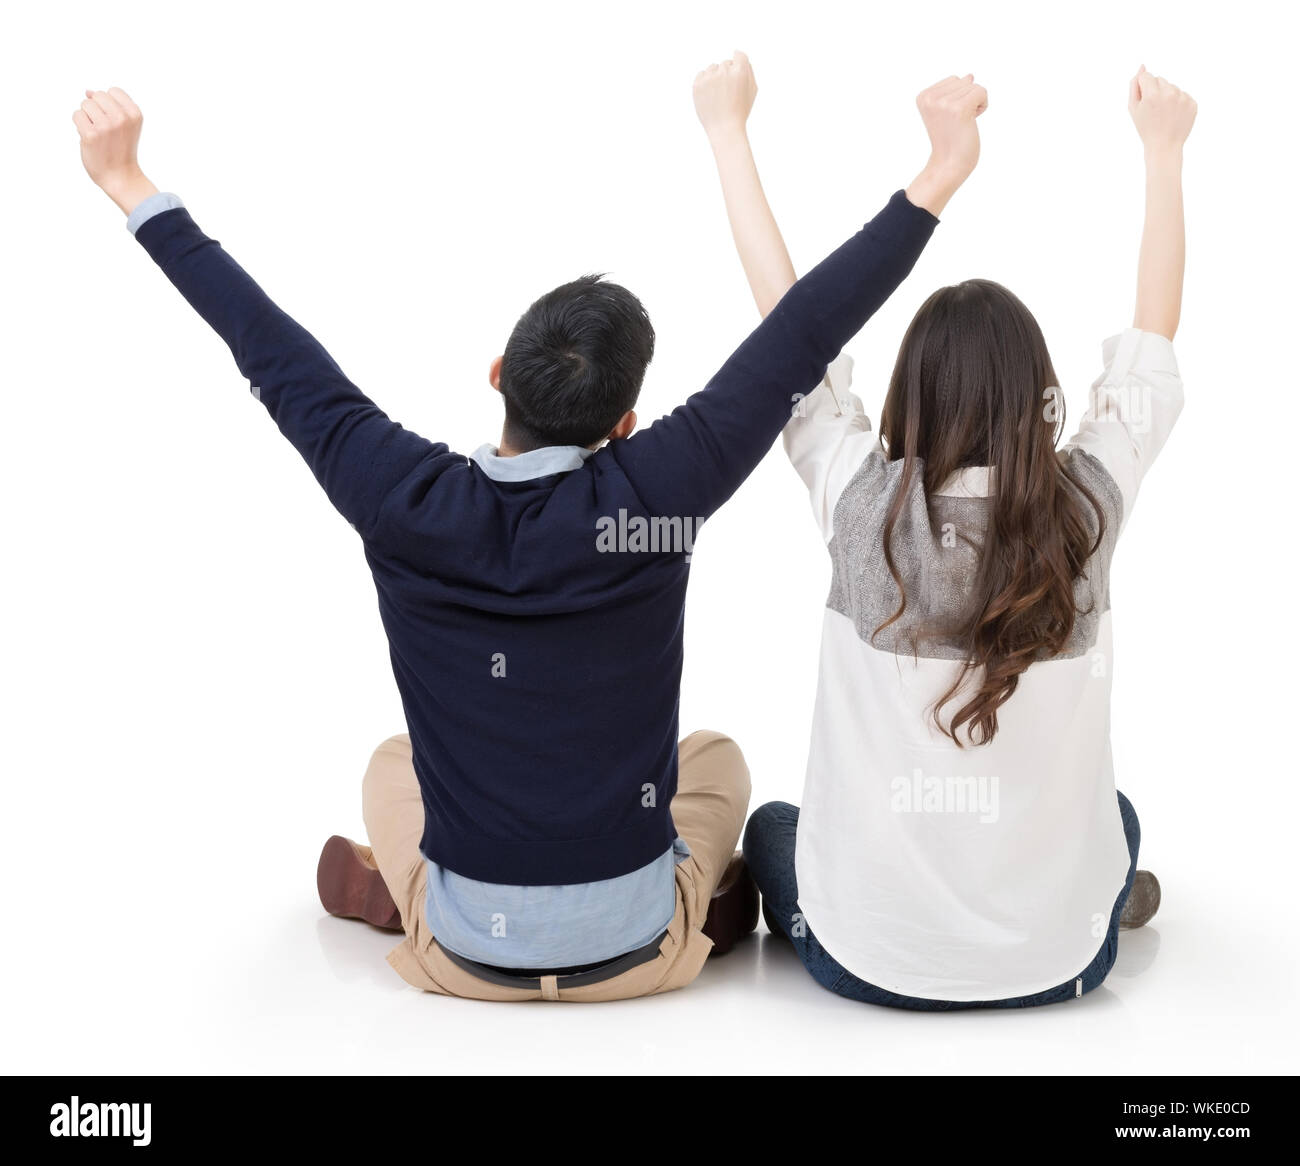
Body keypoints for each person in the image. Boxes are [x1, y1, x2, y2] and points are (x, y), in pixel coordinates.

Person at [71, 74, 973, 1001]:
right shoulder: (656, 493)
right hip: (638, 955)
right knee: (716, 761)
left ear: (498, 374)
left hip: (467, 958)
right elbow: (802, 334)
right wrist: (937, 174)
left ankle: (414, 898)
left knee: (394, 764)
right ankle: (695, 902)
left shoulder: (396, 494)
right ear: (625, 422)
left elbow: (264, 343)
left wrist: (133, 183)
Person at [695, 54, 1191, 1008]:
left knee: (772, 829)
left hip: (861, 963)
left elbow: (786, 336)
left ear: (908, 399)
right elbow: (1152, 353)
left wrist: (728, 135)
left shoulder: (858, 502)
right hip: (1066, 966)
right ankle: (1092, 893)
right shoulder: (1085, 507)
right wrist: (1163, 154)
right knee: (1115, 816)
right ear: (1036, 400)